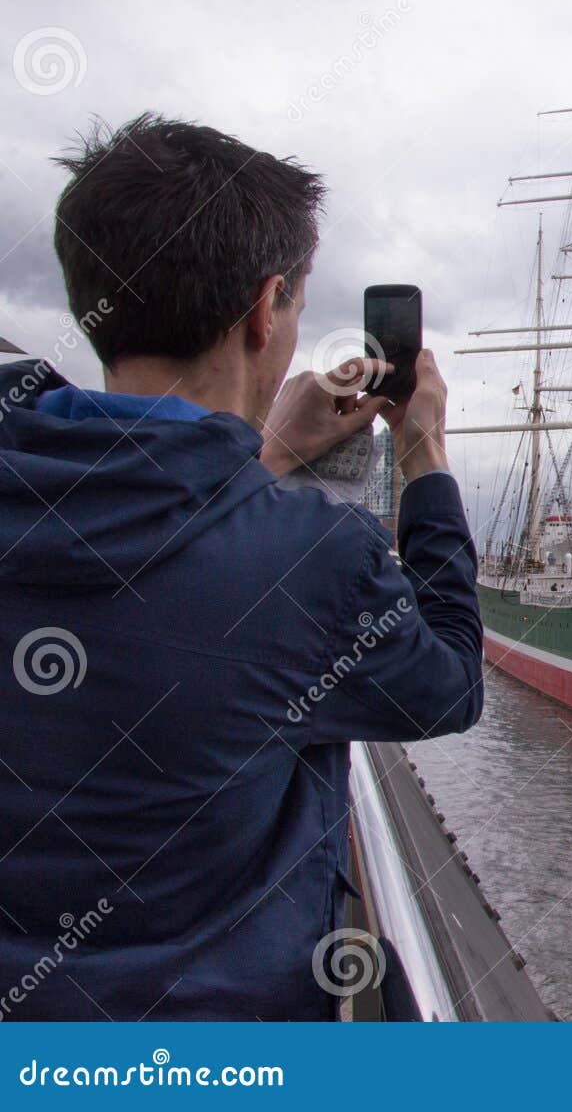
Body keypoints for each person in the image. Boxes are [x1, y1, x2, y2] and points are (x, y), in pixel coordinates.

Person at [0, 116, 482, 1020]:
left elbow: (133, 538)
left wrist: (258, 457)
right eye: (296, 305)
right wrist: (423, 454)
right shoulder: (311, 561)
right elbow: (449, 682)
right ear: (266, 310)